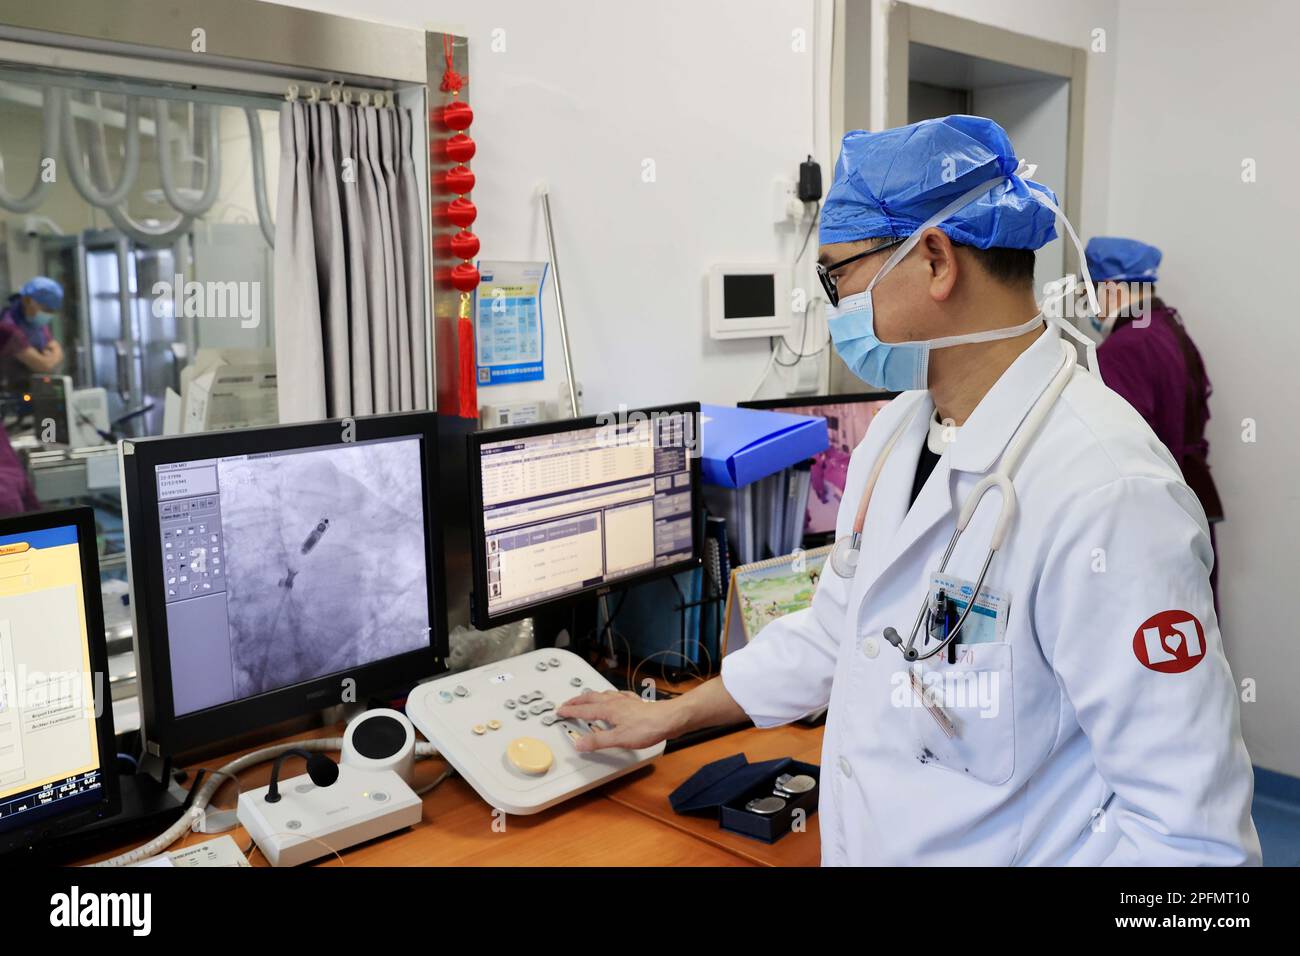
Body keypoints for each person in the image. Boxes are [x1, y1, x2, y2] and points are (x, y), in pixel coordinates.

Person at [557, 115, 1259, 866]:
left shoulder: (1110, 495)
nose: (832, 310)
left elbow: (1194, 844)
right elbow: (838, 633)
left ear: (934, 260)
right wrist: (672, 713)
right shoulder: (896, 435)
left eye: (838, 276)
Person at [1086, 236, 1224, 603]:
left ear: (1111, 289)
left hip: (1150, 519)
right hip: (1189, 505)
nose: (1088, 305)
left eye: (1090, 291)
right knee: (1188, 632)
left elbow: (1113, 449)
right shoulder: (1170, 331)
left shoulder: (1121, 350)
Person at [0, 276, 66, 394]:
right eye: (46, 309)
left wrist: (52, 357)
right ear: (27, 301)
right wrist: (52, 358)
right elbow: (43, 366)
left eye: (52, 311)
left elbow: (55, 347)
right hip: (12, 397)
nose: (49, 315)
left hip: (35, 392)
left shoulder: (34, 321)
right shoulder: (7, 327)